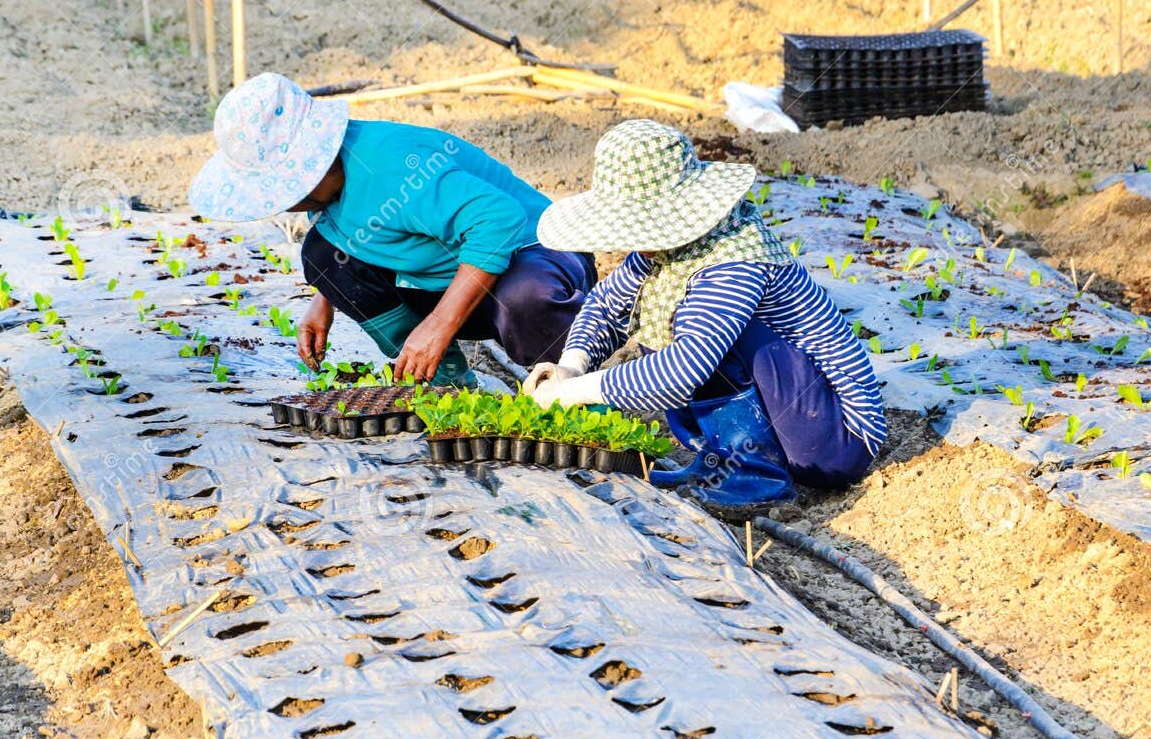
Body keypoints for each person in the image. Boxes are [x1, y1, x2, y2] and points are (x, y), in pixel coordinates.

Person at [523, 119, 886, 518]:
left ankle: (755, 476)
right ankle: (720, 461)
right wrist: (571, 367)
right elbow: (606, 306)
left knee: (703, 332)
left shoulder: (734, 261)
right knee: (659, 311)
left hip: (837, 438)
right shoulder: (660, 253)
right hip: (795, 422)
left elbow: (683, 369)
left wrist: (575, 394)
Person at [189, 73, 596, 385]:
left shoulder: (393, 168)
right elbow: (347, 232)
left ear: (305, 172)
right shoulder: (329, 186)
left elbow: (500, 220)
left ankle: (570, 389)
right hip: (467, 277)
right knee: (322, 257)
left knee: (525, 296)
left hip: (540, 257)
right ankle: (443, 379)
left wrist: (439, 325)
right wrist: (326, 299)